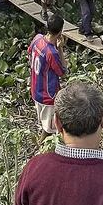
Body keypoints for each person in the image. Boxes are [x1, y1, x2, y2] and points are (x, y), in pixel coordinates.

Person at [28, 14, 67, 143]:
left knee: (44, 122)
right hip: (48, 95)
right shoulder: (51, 53)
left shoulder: (37, 39)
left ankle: (42, 142)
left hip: (35, 89)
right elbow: (62, 72)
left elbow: (29, 52)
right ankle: (41, 144)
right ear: (60, 31)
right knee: (49, 128)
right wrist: (60, 48)